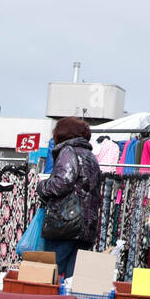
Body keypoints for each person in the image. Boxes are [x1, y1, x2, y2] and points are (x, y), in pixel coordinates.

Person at [36, 117, 103, 279]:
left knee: (52, 276)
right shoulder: (90, 156)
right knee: (74, 280)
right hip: (86, 227)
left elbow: (62, 181)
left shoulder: (68, 151)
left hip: (65, 225)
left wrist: (42, 186)